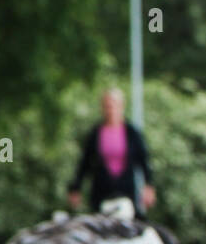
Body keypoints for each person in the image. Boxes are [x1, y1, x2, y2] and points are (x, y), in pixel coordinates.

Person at [67, 88, 157, 217]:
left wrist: (149, 186)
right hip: (101, 190)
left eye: (113, 106)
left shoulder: (132, 133)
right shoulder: (95, 134)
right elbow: (85, 163)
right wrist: (76, 188)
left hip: (126, 190)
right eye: (107, 106)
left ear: (121, 106)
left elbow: (143, 160)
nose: (110, 110)